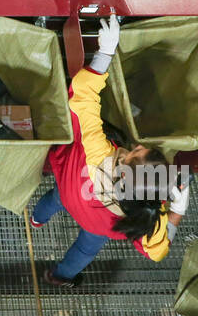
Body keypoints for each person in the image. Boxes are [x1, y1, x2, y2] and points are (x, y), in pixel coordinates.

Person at [30, 16, 189, 288]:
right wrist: (176, 211)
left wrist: (104, 54)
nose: (137, 145)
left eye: (135, 153)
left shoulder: (98, 155)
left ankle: (36, 220)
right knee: (86, 250)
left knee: (54, 198)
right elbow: (158, 251)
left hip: (71, 193)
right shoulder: (145, 218)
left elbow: (83, 99)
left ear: (124, 172)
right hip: (98, 224)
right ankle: (61, 276)